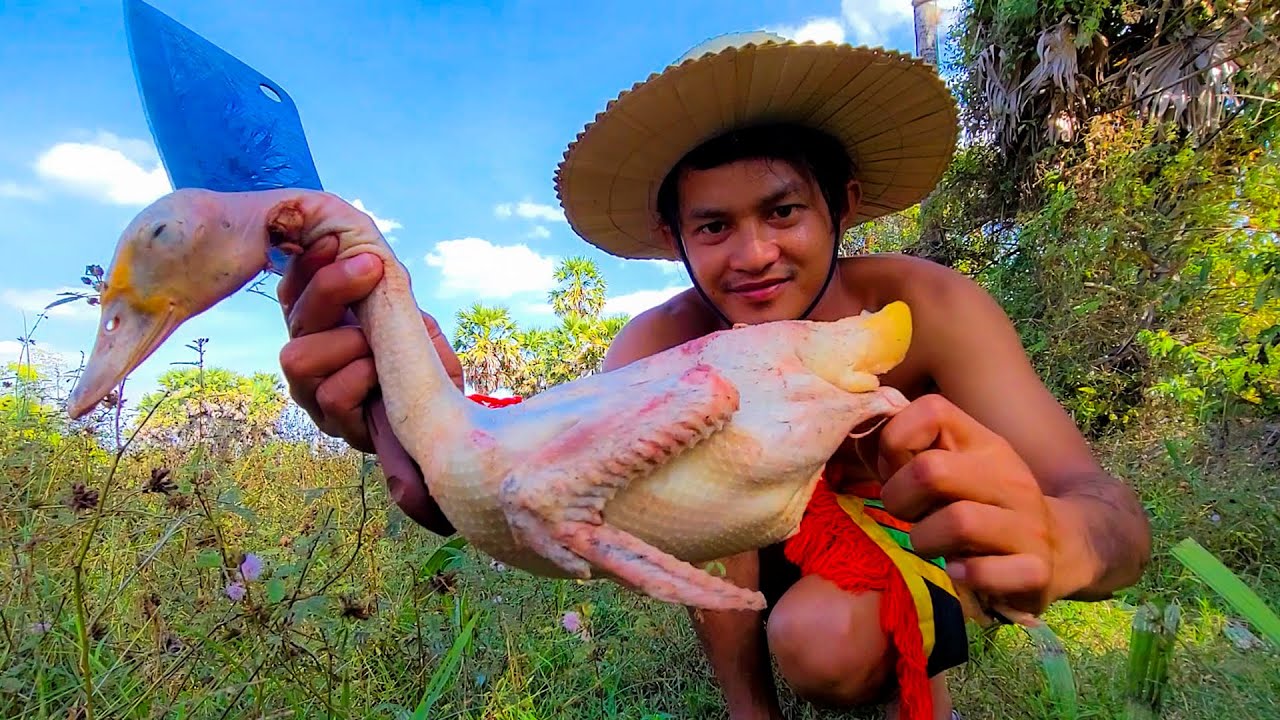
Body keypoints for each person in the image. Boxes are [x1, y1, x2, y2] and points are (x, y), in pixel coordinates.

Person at [275, 32, 1151, 720]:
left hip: (901, 550)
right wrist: (409, 415)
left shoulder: (929, 306)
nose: (755, 255)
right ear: (674, 240)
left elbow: (1105, 511)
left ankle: (930, 683)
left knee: (823, 643)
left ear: (840, 204)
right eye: (713, 227)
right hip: (759, 544)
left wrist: (1061, 542)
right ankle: (747, 708)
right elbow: (537, 494)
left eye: (782, 211)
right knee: (700, 443)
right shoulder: (663, 342)